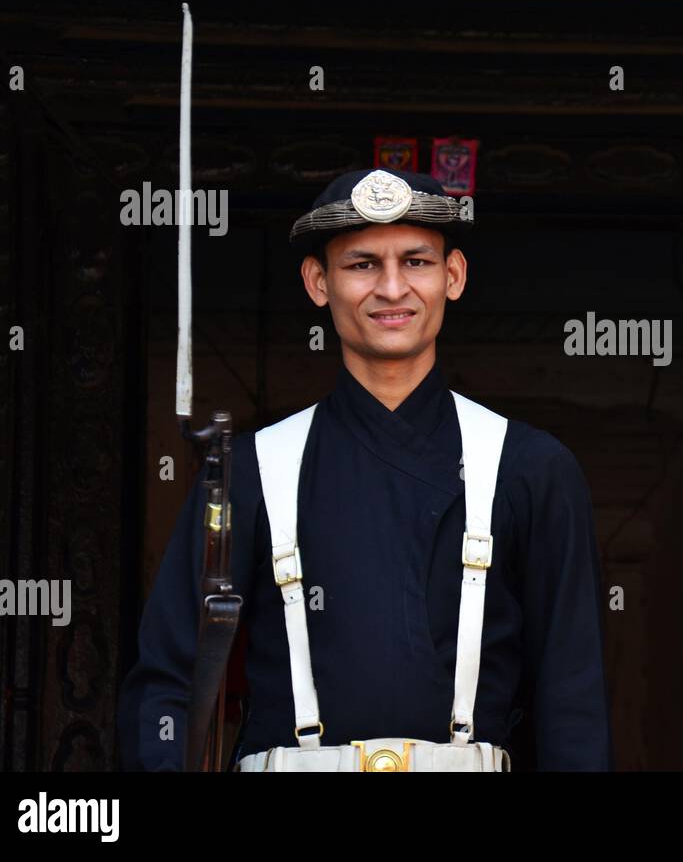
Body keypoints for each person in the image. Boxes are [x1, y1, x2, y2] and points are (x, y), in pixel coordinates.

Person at [118, 168, 613, 771]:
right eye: (361, 265)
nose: (392, 288)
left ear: (452, 276)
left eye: (416, 261)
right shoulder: (250, 470)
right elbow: (167, 680)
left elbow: (572, 704)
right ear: (318, 282)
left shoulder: (531, 468)